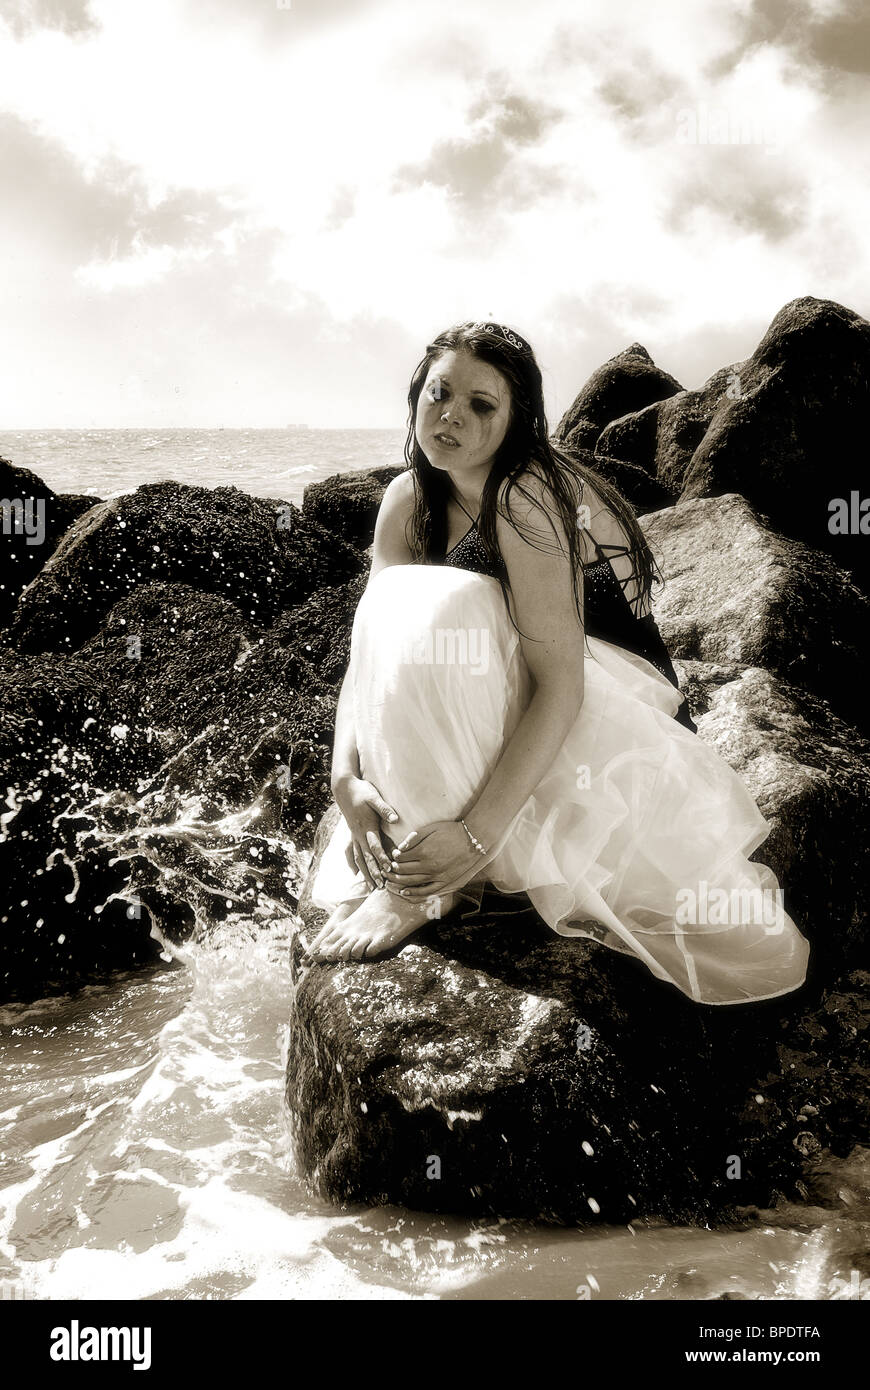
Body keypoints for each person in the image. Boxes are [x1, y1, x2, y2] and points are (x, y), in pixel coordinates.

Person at [305, 321, 810, 1005]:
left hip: (610, 720)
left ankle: (426, 887)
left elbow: (562, 686)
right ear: (415, 396)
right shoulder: (407, 499)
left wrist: (473, 841)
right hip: (525, 703)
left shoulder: (525, 497)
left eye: (482, 404)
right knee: (400, 602)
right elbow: (373, 647)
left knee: (451, 605)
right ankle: (419, 841)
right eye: (439, 392)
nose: (451, 414)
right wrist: (344, 776)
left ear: (516, 422)